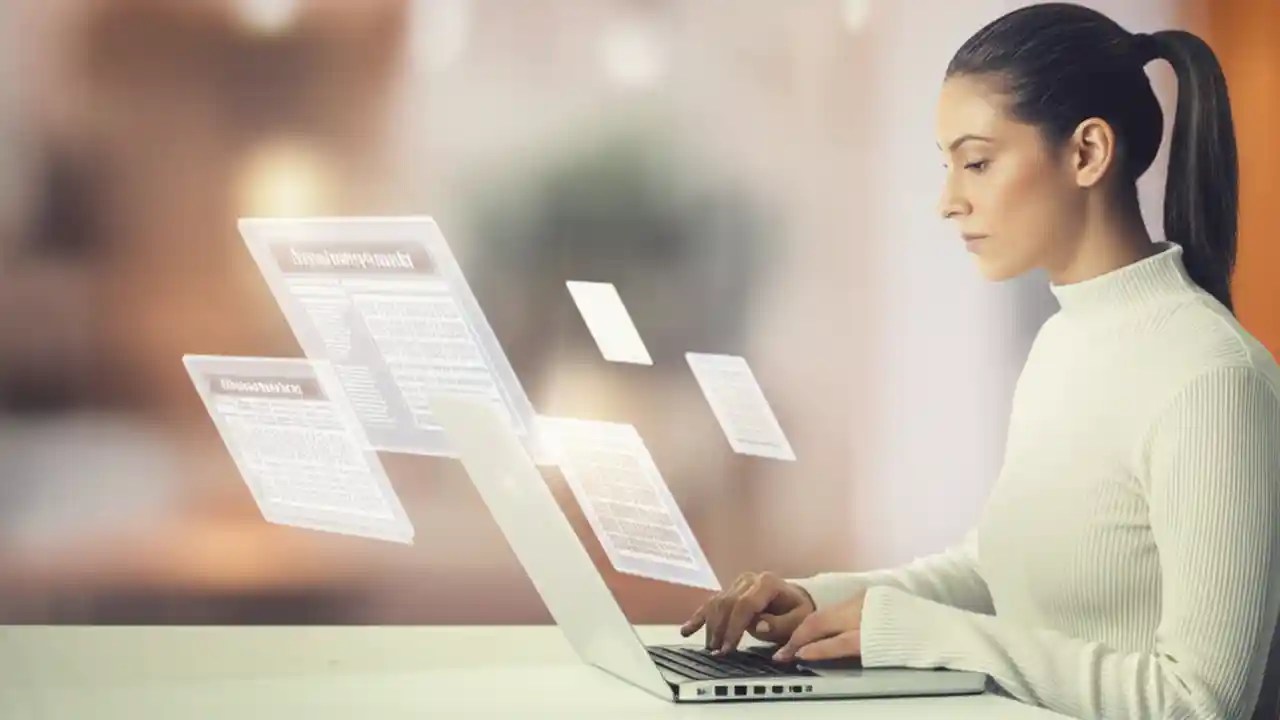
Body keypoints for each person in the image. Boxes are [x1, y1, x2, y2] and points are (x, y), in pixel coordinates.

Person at [680, 3, 1280, 719]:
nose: (948, 201)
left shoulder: (1211, 379)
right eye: (948, 166)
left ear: (1087, 153)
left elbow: (1201, 701)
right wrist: (821, 598)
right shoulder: (1067, 342)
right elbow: (999, 569)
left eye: (978, 162)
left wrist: (929, 636)